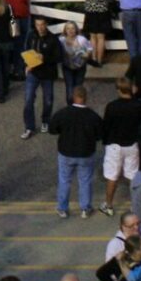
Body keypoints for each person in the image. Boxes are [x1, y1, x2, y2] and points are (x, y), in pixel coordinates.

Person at [48, 86, 102, 219]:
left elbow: (52, 129)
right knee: (85, 181)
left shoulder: (63, 113)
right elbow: (100, 135)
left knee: (64, 180)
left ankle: (62, 208)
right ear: (85, 98)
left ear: (73, 97)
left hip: (66, 152)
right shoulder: (93, 116)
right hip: (85, 153)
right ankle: (85, 208)